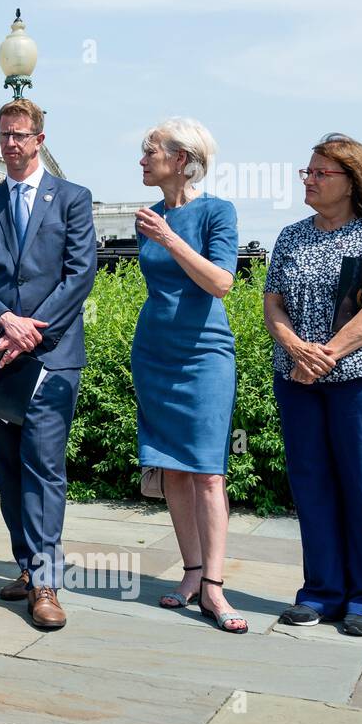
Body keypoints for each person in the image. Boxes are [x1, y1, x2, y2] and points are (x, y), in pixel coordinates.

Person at [0, 98, 97, 629]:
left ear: (39, 138)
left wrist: (31, 330)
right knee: (8, 468)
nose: (10, 144)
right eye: (3, 135)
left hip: (53, 356)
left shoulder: (73, 199)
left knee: (44, 469)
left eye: (20, 135)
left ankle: (45, 582)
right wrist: (6, 322)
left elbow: (79, 275)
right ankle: (25, 564)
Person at [264, 133, 362, 637]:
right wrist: (295, 349)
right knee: (312, 488)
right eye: (306, 171)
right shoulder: (290, 236)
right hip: (298, 380)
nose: (308, 179)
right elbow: (273, 305)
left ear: (351, 182)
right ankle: (322, 593)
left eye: (319, 173)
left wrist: (323, 356)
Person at [132, 119, 246, 633]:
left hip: (204, 354)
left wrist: (170, 239)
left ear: (180, 159)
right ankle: (192, 573)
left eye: (149, 151)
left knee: (207, 470)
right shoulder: (151, 216)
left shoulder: (216, 211)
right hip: (154, 351)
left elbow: (221, 281)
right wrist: (161, 230)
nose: (141, 159)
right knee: (171, 467)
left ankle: (215, 590)